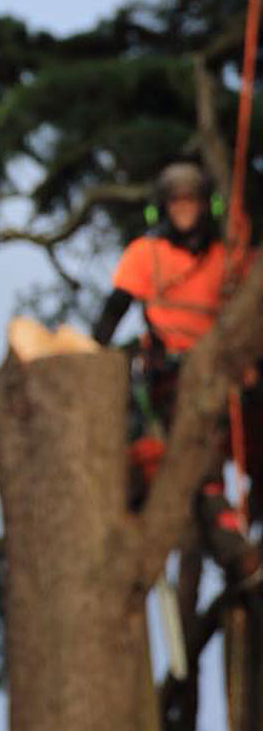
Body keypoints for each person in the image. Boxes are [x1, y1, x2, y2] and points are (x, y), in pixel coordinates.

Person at [93, 161, 262, 589]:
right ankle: (233, 550)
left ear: (207, 206)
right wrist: (91, 355)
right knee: (195, 464)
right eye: (176, 203)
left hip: (224, 372)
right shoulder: (145, 255)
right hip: (169, 376)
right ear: (161, 209)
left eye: (192, 201)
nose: (184, 209)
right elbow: (115, 309)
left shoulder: (227, 259)